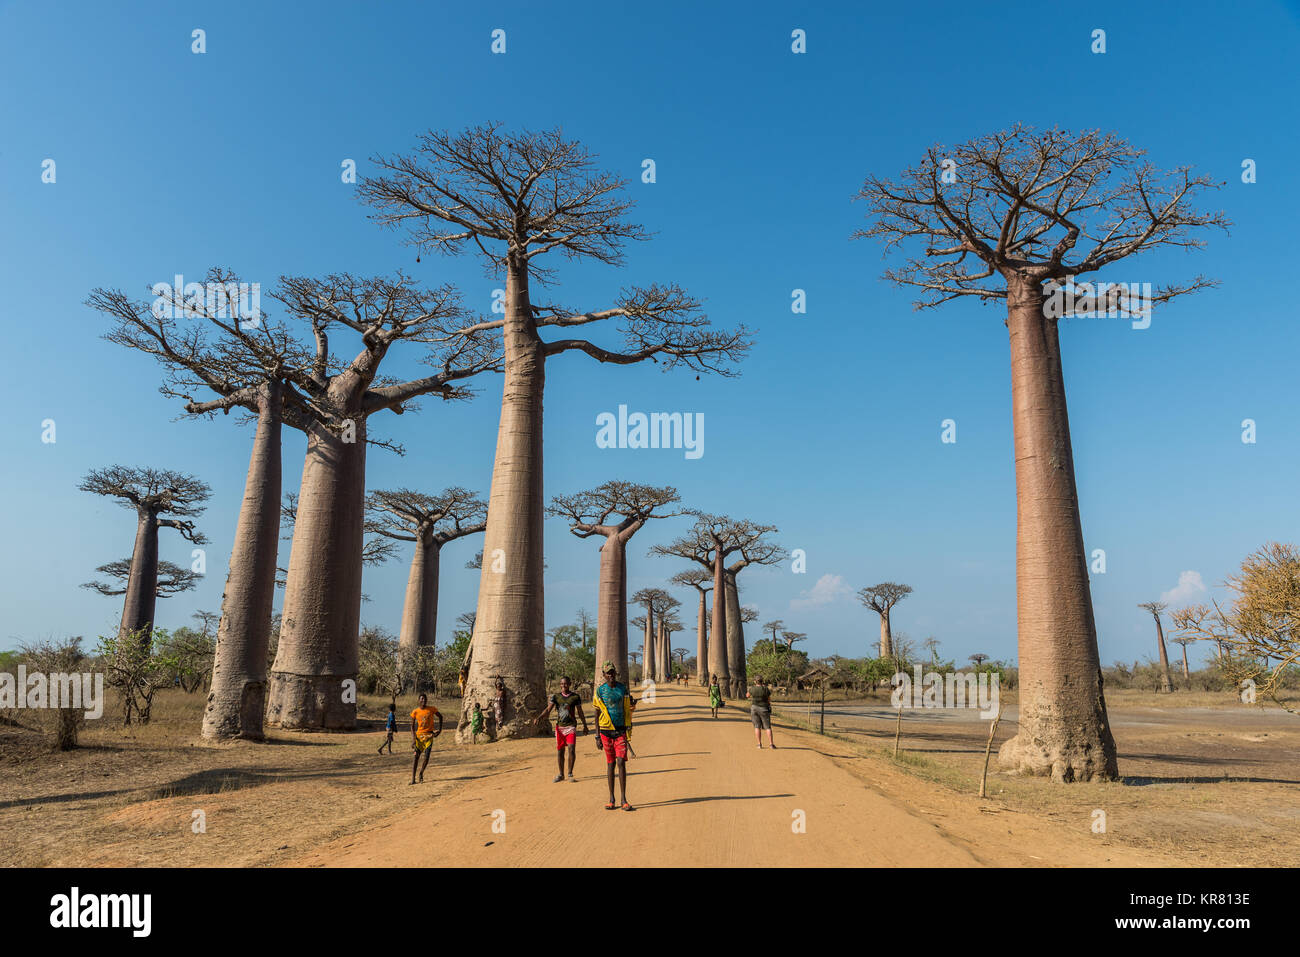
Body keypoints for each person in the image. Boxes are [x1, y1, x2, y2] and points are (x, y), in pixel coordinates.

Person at [591, 662, 636, 811]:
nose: (610, 675)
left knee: (621, 762)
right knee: (610, 763)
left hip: (620, 730)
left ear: (615, 673)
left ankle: (624, 799)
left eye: (612, 672)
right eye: (608, 673)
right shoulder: (600, 691)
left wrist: (632, 707)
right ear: (603, 675)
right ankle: (611, 798)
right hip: (605, 731)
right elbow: (596, 714)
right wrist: (597, 736)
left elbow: (628, 708)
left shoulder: (622, 688)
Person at [531, 675, 589, 781]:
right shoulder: (556, 697)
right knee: (560, 751)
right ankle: (561, 774)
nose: (564, 686)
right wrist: (539, 717)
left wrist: (585, 725)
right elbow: (548, 709)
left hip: (571, 726)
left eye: (566, 683)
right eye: (562, 684)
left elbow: (580, 712)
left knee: (571, 749)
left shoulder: (575, 697)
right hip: (560, 728)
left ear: (570, 684)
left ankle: (570, 774)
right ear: (560, 685)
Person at [410, 693, 443, 784]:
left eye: (425, 699)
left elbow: (440, 717)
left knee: (427, 757)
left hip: (429, 736)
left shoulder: (432, 709)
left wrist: (439, 730)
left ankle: (421, 772)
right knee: (416, 757)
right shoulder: (415, 712)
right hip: (419, 737)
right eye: (421, 699)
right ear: (419, 700)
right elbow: (412, 726)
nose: (423, 700)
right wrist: (413, 739)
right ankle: (413, 779)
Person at [747, 675, 776, 749]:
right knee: (767, 727)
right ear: (762, 681)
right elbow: (769, 699)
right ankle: (771, 744)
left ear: (755, 681)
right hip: (764, 709)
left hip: (754, 708)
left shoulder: (752, 688)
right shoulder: (765, 689)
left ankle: (759, 744)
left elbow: (747, 696)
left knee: (757, 726)